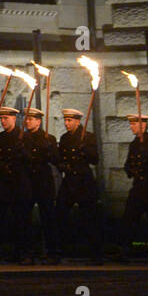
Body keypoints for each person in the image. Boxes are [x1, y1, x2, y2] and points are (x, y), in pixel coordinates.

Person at [55, 107, 102, 263]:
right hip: (69, 181)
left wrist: (85, 150)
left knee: (90, 218)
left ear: (78, 121)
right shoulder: (64, 138)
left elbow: (95, 159)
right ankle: (60, 250)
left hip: (84, 182)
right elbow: (60, 157)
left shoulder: (88, 137)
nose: (66, 123)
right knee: (60, 214)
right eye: (65, 120)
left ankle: (96, 253)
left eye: (69, 121)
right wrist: (61, 165)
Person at [120, 113, 148, 264]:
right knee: (129, 218)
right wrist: (131, 170)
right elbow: (128, 163)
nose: (131, 126)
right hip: (138, 187)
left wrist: (140, 169)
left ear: (143, 125)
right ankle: (126, 249)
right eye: (131, 124)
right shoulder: (134, 144)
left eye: (134, 124)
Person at [0, 106, 31, 264]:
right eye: (1, 118)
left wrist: (23, 153)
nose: (3, 121)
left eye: (6, 118)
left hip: (19, 184)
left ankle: (23, 253)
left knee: (21, 221)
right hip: (3, 184)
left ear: (14, 119)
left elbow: (31, 161)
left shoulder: (24, 137)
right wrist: (0, 165)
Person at [22, 107, 59, 263]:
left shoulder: (48, 138)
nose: (28, 121)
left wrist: (50, 151)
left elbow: (56, 160)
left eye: (31, 119)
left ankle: (51, 252)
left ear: (39, 121)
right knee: (24, 218)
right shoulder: (22, 138)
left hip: (43, 182)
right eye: (27, 119)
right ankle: (28, 251)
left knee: (48, 218)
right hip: (27, 182)